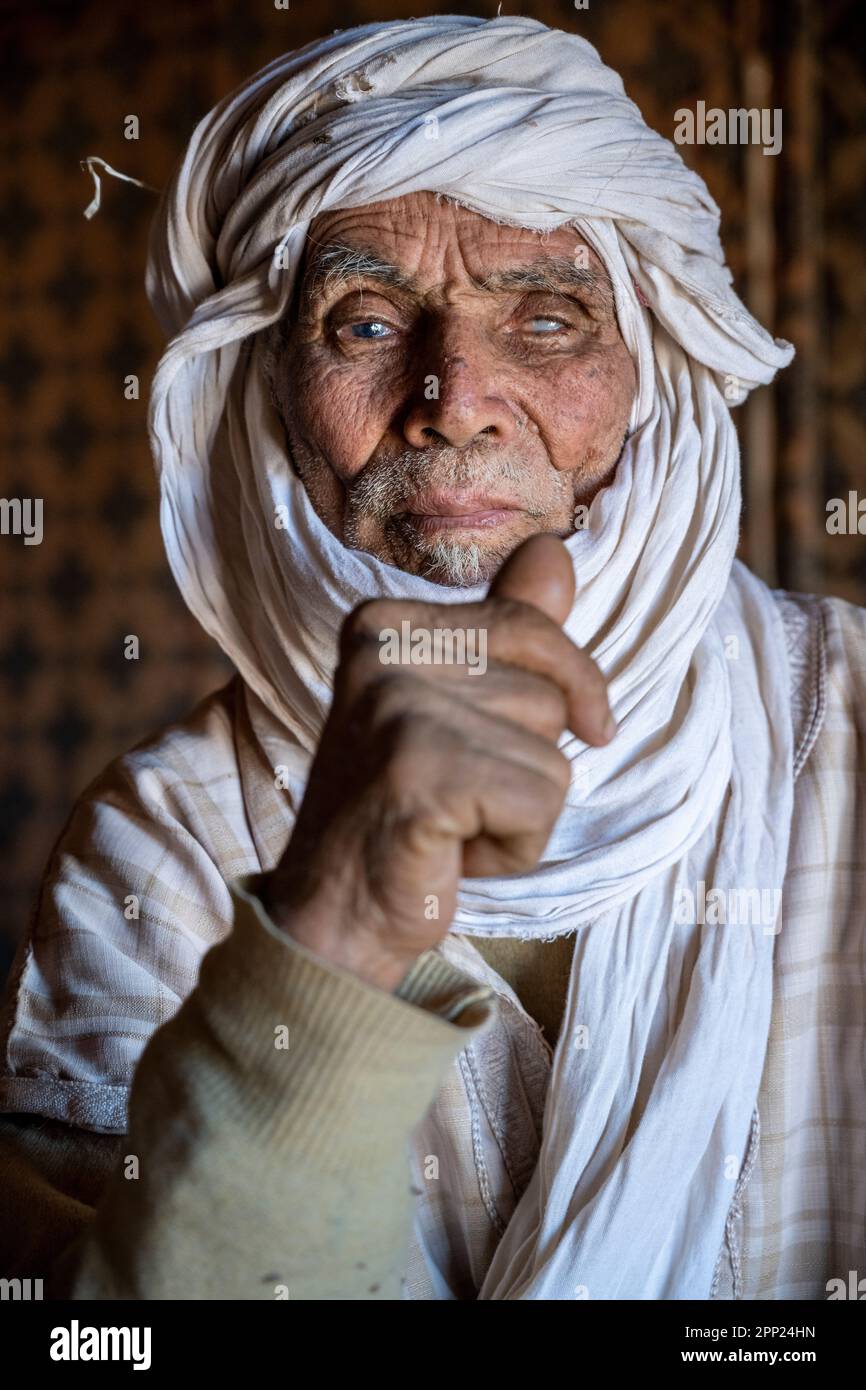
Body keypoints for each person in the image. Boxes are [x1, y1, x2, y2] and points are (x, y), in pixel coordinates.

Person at [1, 14, 863, 1301]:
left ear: (652, 376)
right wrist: (332, 932)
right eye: (360, 325)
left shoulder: (845, 730)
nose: (452, 396)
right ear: (265, 396)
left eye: (549, 319)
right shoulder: (164, 841)